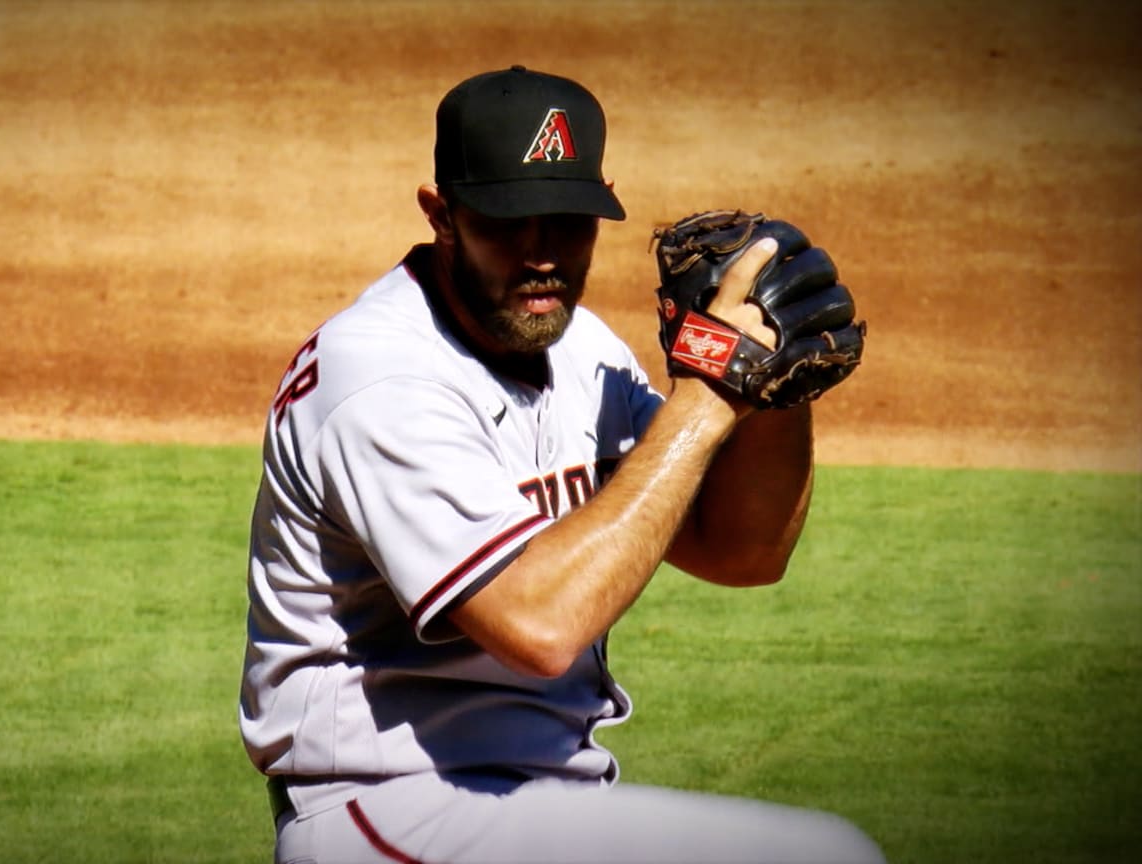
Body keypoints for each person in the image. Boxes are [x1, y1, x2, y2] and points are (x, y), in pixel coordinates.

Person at [238, 65, 886, 864]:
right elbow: (539, 628)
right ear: (442, 215)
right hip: (392, 813)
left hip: (533, 809)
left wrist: (773, 391)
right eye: (509, 221)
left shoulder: (581, 351)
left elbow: (742, 551)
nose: (542, 253)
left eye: (568, 220)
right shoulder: (380, 375)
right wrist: (710, 393)